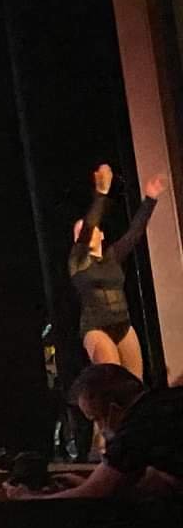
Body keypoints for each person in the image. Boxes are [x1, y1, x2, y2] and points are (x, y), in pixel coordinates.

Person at [6, 364, 181, 502]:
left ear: (113, 410)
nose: (99, 429)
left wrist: (27, 498)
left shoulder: (135, 428)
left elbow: (96, 494)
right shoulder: (163, 403)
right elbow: (157, 483)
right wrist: (88, 483)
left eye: (96, 419)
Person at [69, 164, 165, 383]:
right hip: (96, 327)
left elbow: (134, 233)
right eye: (80, 232)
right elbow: (90, 223)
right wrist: (101, 193)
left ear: (102, 235)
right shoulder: (78, 260)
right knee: (113, 380)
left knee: (134, 383)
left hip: (122, 323)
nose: (85, 232)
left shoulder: (112, 256)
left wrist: (150, 199)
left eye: (87, 230)